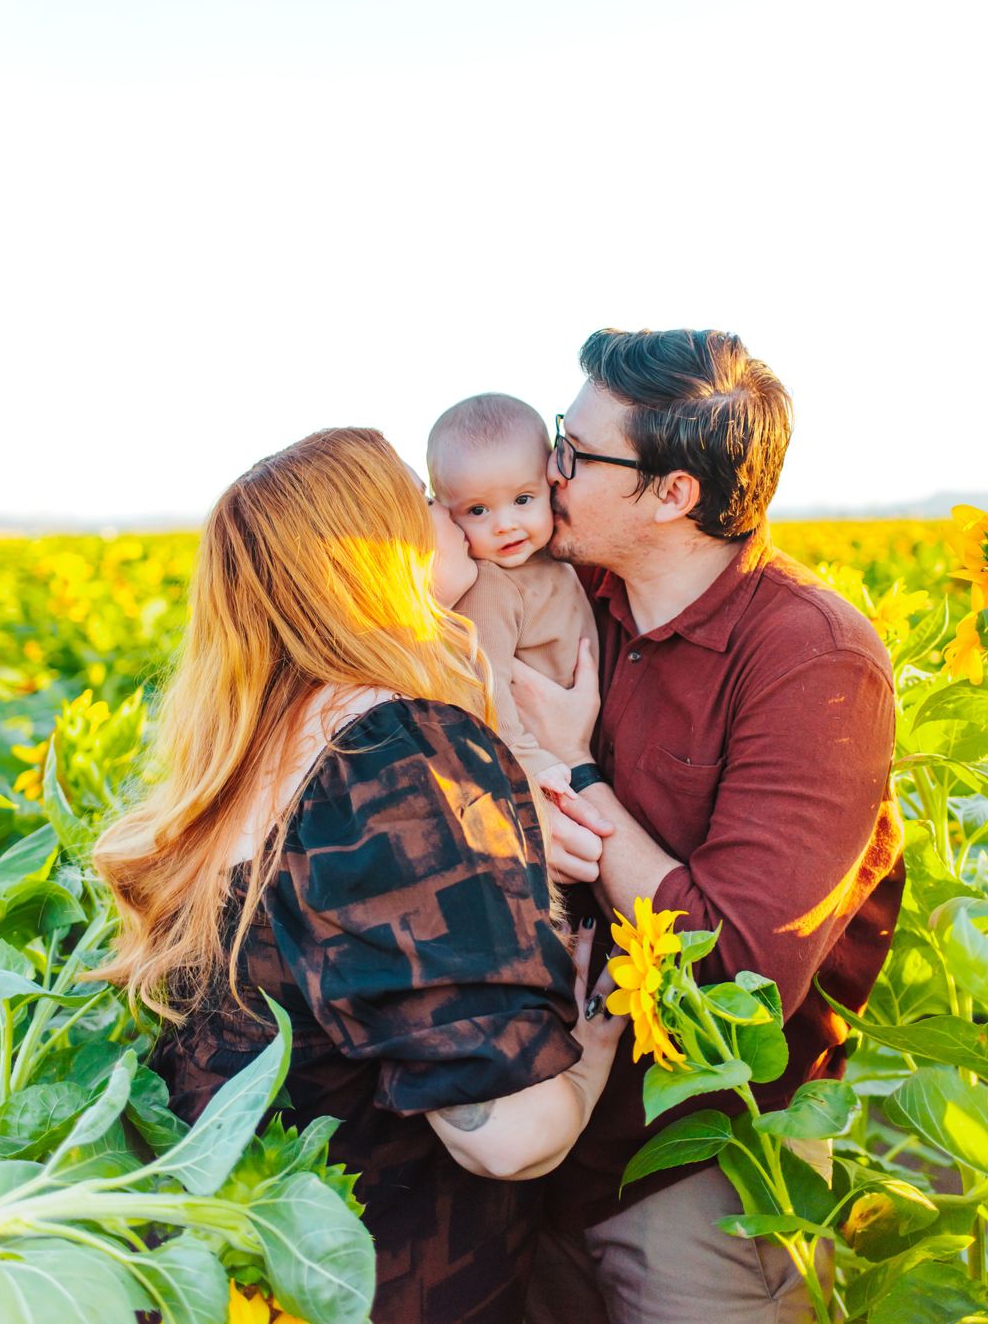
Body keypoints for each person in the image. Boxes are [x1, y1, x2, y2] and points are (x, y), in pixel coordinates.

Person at [90, 427, 623, 1324]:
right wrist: (591, 1054)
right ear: (379, 554)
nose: (449, 513)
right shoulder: (393, 751)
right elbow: (508, 1137)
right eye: (421, 499)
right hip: (386, 1283)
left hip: (253, 1282)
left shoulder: (247, 762)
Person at [514, 330, 904, 1324]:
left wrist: (578, 775)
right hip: (539, 1131)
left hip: (700, 1169)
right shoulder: (567, 595)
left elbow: (735, 967)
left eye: (575, 451)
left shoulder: (810, 658)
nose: (548, 470)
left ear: (673, 494)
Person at [427, 392, 599, 799]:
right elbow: (482, 681)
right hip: (539, 767)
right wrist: (524, 756)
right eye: (478, 511)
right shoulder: (492, 584)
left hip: (572, 743)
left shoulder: (555, 558)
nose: (505, 524)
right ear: (448, 512)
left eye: (522, 500)